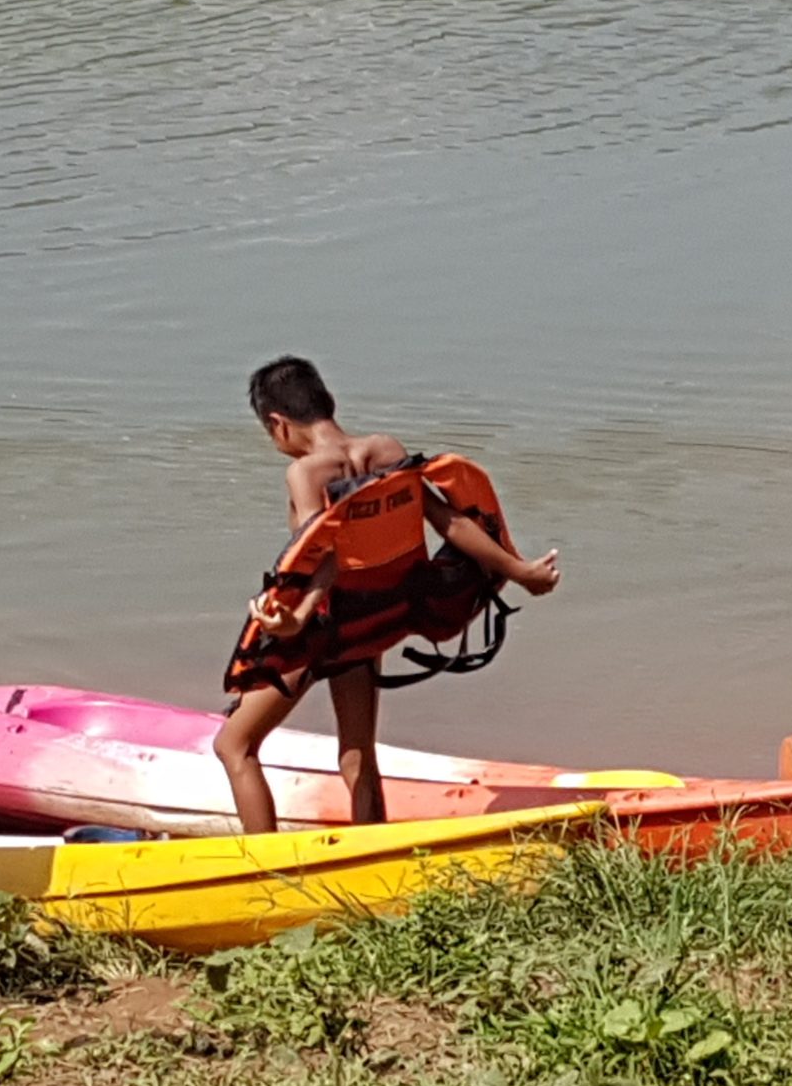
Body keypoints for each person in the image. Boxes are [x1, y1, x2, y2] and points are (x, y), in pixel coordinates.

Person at [213, 357, 561, 833]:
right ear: (326, 402)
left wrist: (297, 620)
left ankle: (261, 871)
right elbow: (449, 521)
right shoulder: (385, 450)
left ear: (278, 424)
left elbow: (326, 555)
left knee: (235, 746)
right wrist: (521, 571)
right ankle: (372, 857)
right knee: (358, 757)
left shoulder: (306, 474)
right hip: (378, 619)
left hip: (327, 627)